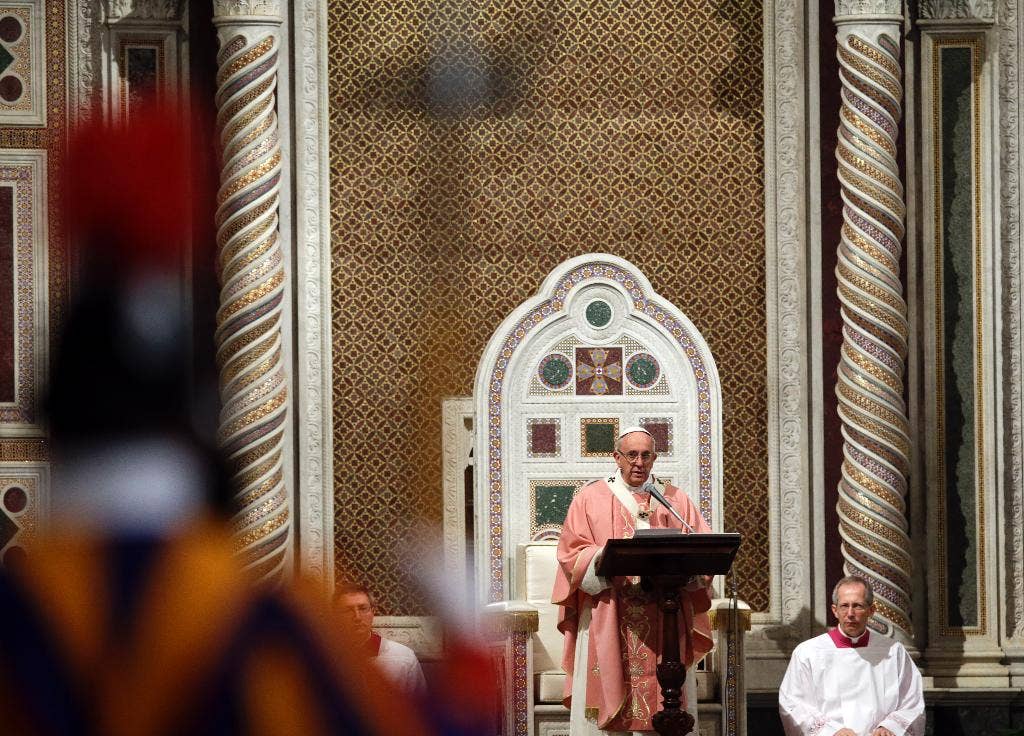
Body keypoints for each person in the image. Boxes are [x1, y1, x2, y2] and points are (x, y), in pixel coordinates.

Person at [551, 426, 714, 734]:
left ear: (655, 458)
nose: (639, 463)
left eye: (646, 455)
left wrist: (691, 567)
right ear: (617, 457)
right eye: (632, 455)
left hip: (665, 613)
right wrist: (604, 557)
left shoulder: (674, 499)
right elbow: (571, 553)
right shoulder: (590, 498)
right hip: (609, 610)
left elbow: (701, 547)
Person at [778, 576, 924, 736]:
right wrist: (832, 731)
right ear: (835, 610)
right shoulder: (808, 652)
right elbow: (793, 703)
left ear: (871, 610)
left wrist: (889, 727)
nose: (850, 613)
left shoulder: (893, 651)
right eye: (844, 606)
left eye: (858, 606)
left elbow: (912, 700)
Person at [336, 583, 429, 698]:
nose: (357, 617)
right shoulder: (324, 659)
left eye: (363, 608)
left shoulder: (404, 658)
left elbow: (420, 705)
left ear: (373, 611)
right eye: (348, 610)